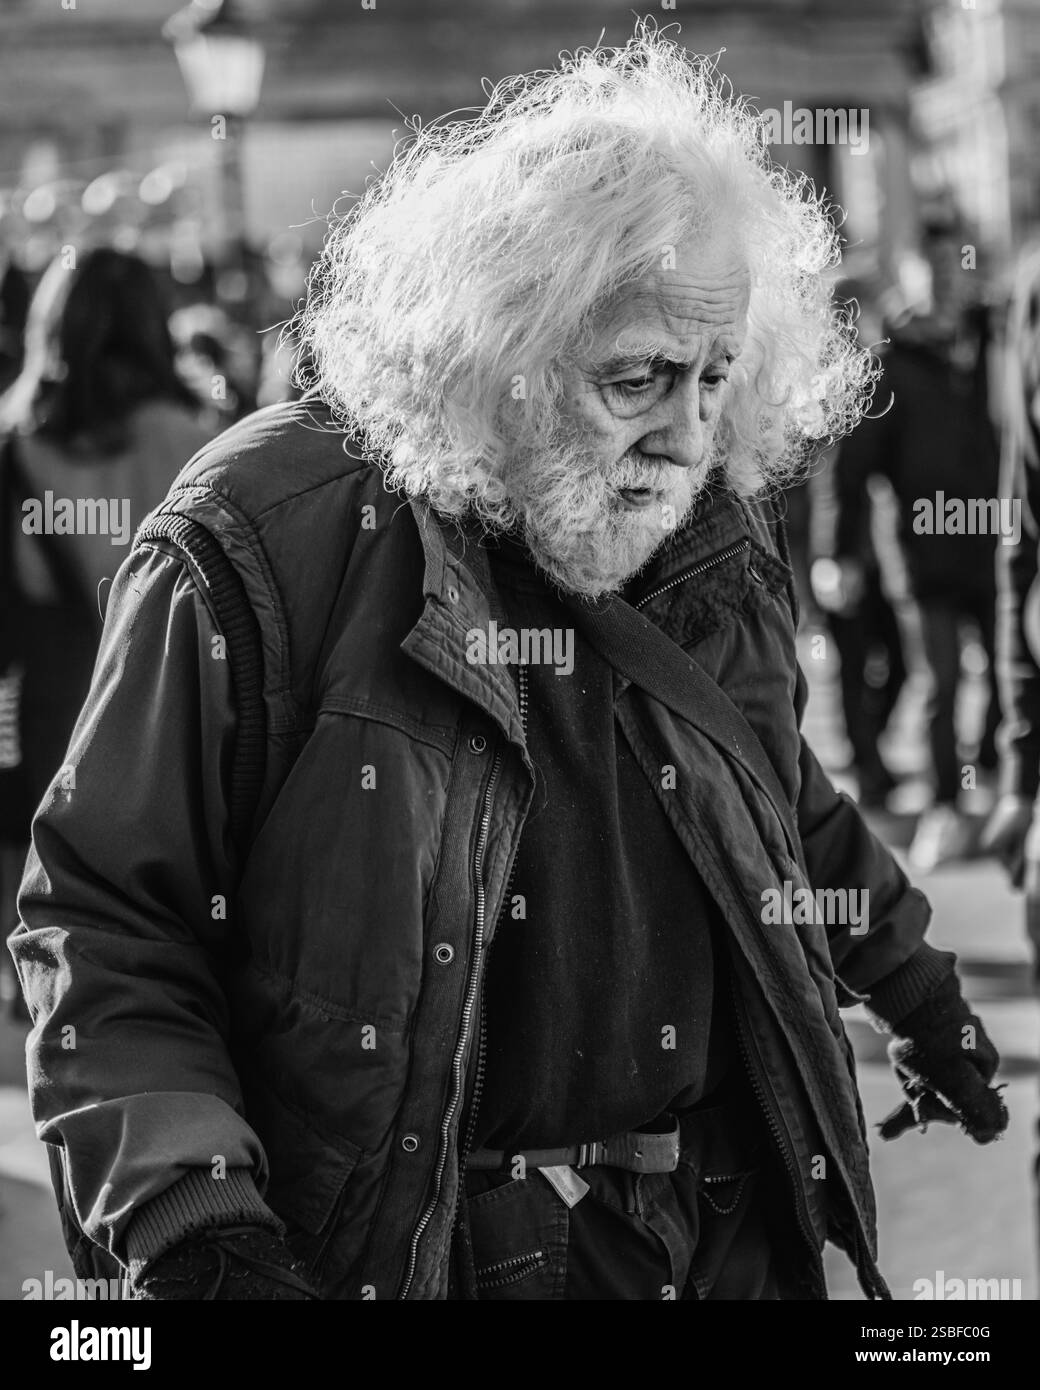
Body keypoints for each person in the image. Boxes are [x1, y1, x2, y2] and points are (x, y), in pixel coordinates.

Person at [9, 30, 1008, 1302]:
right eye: (638, 377)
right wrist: (194, 1219)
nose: (687, 436)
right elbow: (106, 917)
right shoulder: (266, 534)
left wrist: (916, 986)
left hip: (718, 1233)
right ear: (498, 342)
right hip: (437, 1252)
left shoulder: (708, 523)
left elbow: (770, 797)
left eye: (715, 377)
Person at [0, 247, 211, 1017]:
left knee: (58, 958)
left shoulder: (15, 450)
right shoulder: (205, 446)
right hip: (175, 715)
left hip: (53, 723)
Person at [830, 223, 1003, 870]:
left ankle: (995, 780)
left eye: (959, 270)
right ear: (916, 282)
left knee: (1012, 682)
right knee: (942, 683)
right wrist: (840, 553)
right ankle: (944, 805)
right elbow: (854, 471)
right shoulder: (889, 366)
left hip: (997, 551)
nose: (950, 284)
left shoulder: (994, 345)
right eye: (936, 273)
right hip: (924, 557)